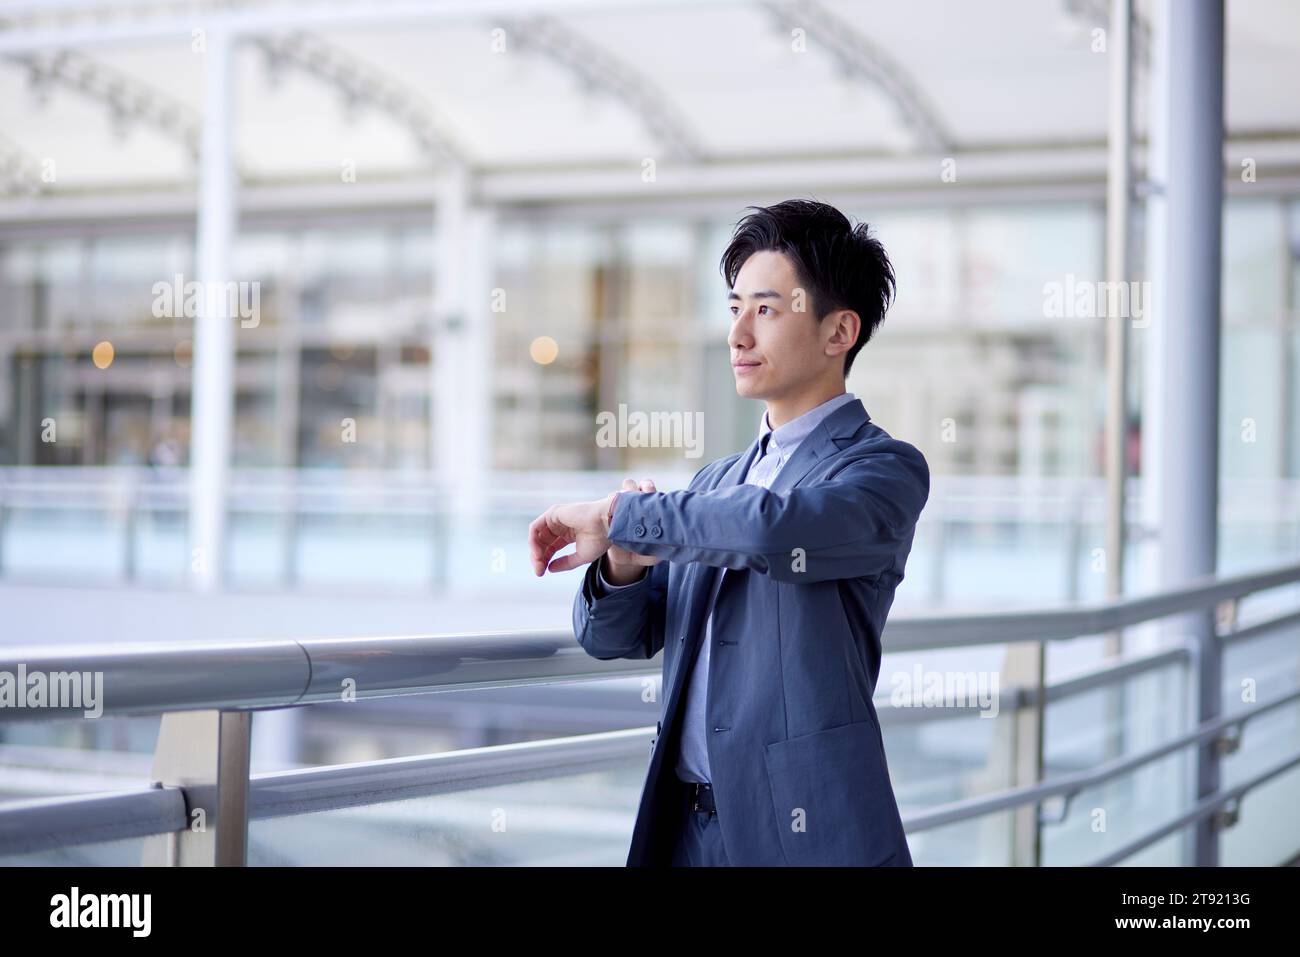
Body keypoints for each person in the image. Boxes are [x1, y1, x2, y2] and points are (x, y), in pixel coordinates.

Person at [528, 199, 929, 866]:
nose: (738, 334)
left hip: (801, 836)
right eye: (733, 307)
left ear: (839, 332)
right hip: (684, 829)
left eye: (766, 310)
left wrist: (620, 518)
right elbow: (610, 637)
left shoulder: (882, 470)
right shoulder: (714, 483)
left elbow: (777, 532)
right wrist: (623, 561)